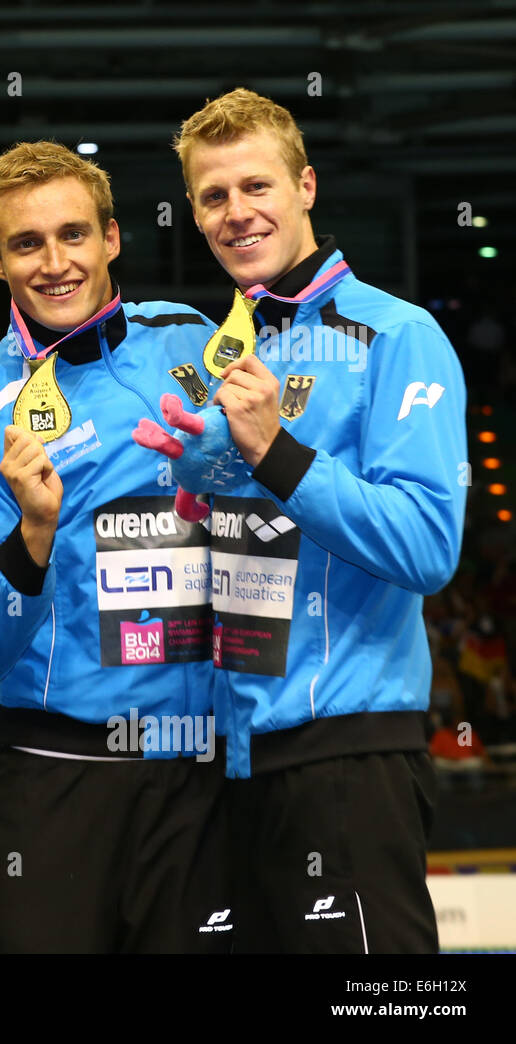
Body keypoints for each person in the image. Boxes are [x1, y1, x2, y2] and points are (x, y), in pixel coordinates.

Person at [167, 88, 467, 952]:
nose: (237, 213)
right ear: (193, 212)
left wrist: (277, 454)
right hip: (231, 758)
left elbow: (427, 544)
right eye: (214, 196)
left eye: (256, 186)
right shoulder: (222, 350)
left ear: (305, 186)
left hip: (347, 752)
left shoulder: (399, 335)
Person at [0, 141, 229, 953]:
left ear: (113, 238)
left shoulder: (191, 340)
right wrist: (32, 538)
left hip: (204, 769)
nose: (55, 263)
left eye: (73, 235)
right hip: (55, 779)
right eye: (27, 244)